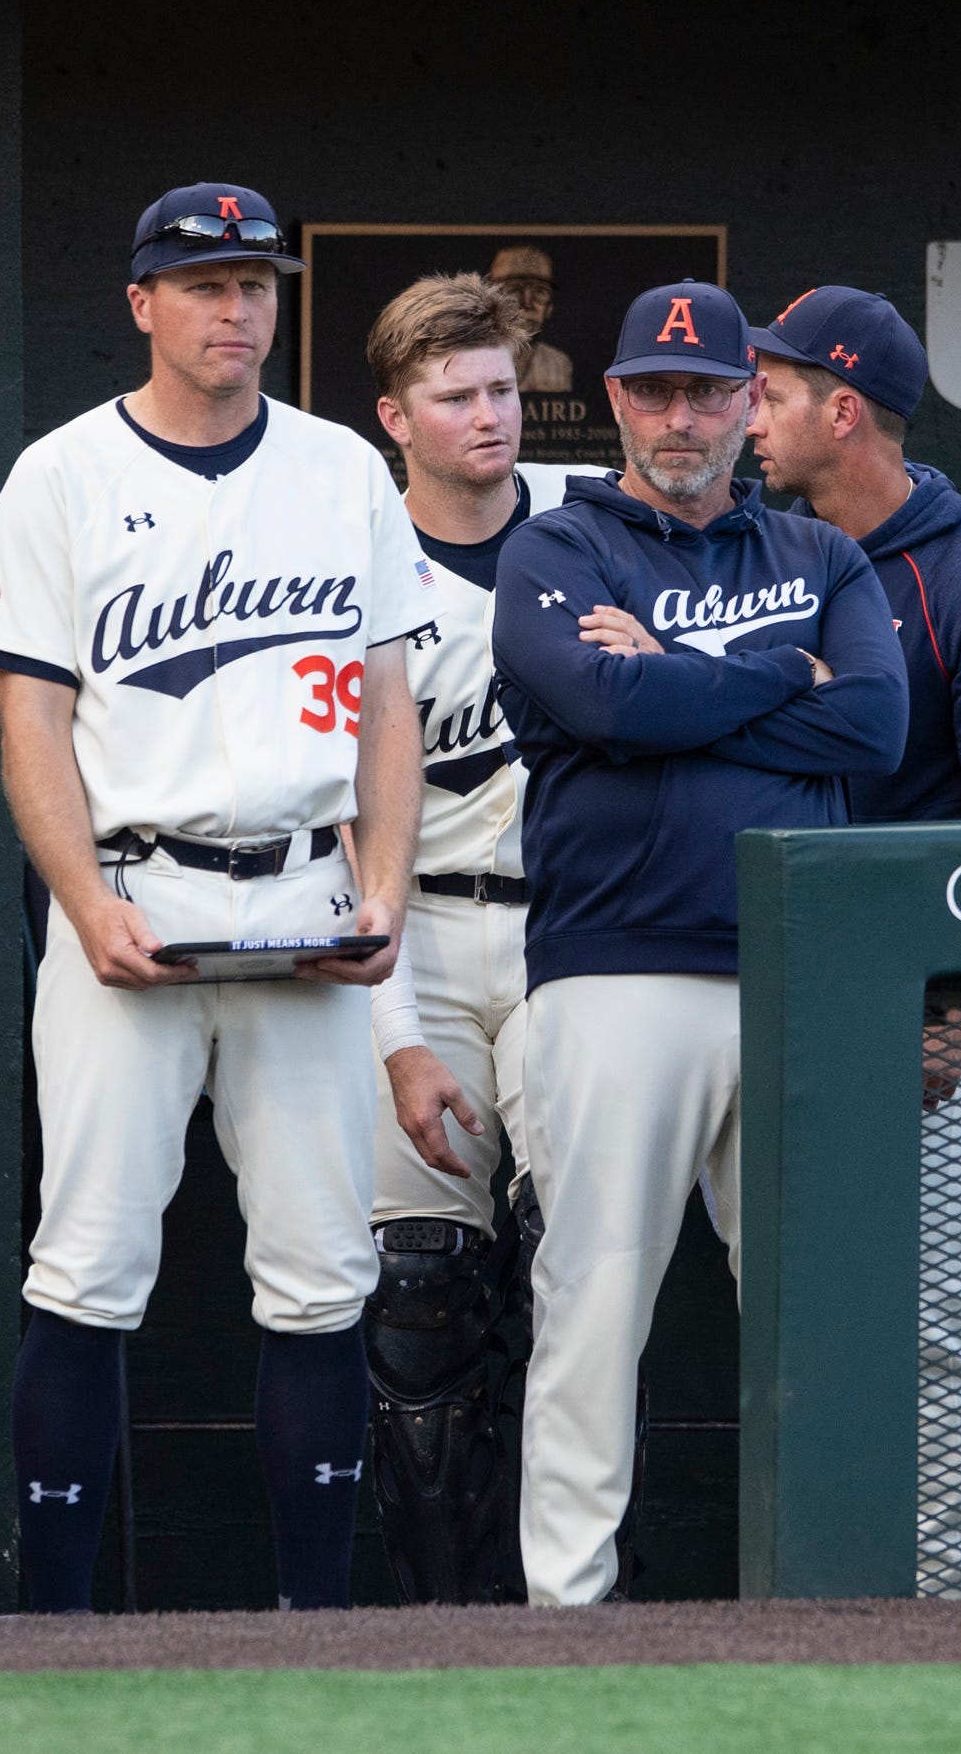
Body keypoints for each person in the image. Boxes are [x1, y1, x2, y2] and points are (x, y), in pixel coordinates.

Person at [0, 181, 436, 1611]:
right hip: (138, 898)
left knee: (321, 1276)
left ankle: (315, 1623)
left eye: (258, 283)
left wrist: (383, 891)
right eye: (205, 282)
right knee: (88, 1269)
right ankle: (54, 1620)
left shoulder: (342, 467)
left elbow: (391, 705)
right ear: (143, 303)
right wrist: (86, 902)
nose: (237, 307)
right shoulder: (60, 473)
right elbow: (28, 717)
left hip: (298, 897)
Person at [491, 281, 907, 1605]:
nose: (680, 416)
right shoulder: (558, 550)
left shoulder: (825, 560)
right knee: (594, 1306)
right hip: (614, 970)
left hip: (792, 975)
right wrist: (788, 677)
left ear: (748, 403)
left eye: (708, 390)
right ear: (615, 399)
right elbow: (597, 697)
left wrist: (676, 674)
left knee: (812, 1313)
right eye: (654, 390)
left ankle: (828, 1601)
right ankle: (568, 1606)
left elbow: (874, 732)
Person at [747, 285, 961, 1597]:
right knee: (781, 1318)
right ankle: (802, 1585)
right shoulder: (754, 552)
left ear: (841, 408)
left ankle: (945, 1591)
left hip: (914, 1006)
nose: (742, 419)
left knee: (928, 1321)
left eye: (765, 395)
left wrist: (950, 1003)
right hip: (764, 979)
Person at [355, 272, 605, 1603]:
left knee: (577, 1260)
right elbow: (341, 825)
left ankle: (573, 1598)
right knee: (419, 1295)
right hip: (425, 940)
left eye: (503, 389)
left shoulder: (598, 516)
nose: (489, 416)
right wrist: (390, 1029)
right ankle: (447, 1624)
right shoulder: (351, 556)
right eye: (455, 397)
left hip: (577, 933)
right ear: (397, 415)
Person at [489, 246, 573, 393]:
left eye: (539, 292)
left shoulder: (558, 364)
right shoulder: (474, 360)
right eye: (514, 290)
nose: (527, 302)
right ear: (492, 302)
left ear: (549, 307)